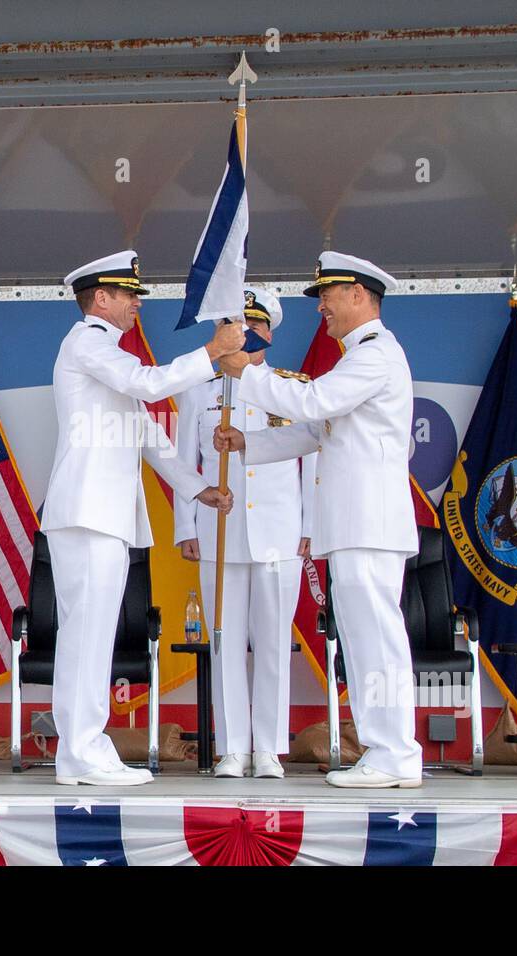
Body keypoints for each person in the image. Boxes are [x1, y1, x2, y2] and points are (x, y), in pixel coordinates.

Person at [214, 252, 422, 789]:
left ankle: (395, 750)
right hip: (355, 526)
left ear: (358, 294)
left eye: (328, 295)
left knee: (377, 639)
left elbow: (314, 401)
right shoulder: (357, 356)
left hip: (368, 524)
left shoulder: (376, 355)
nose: (322, 307)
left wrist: (250, 373)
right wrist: (249, 443)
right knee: (362, 638)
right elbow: (317, 430)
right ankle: (384, 749)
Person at [42, 250, 243, 786]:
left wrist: (200, 489)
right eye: (128, 294)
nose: (136, 303)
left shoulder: (109, 354)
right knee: (85, 632)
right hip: (87, 512)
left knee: (94, 631)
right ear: (100, 298)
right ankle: (82, 750)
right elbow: (151, 387)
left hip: (100, 514)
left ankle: (84, 748)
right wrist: (213, 351)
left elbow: (148, 435)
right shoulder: (88, 342)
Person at [173, 287, 315, 779]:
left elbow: (313, 456)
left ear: (269, 334)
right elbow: (179, 459)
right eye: (238, 328)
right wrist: (185, 524)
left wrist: (311, 524)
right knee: (224, 640)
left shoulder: (291, 387)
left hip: (280, 529)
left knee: (274, 640)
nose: (246, 337)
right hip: (220, 528)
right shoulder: (199, 390)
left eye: (255, 328)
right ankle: (233, 747)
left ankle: (270, 748)